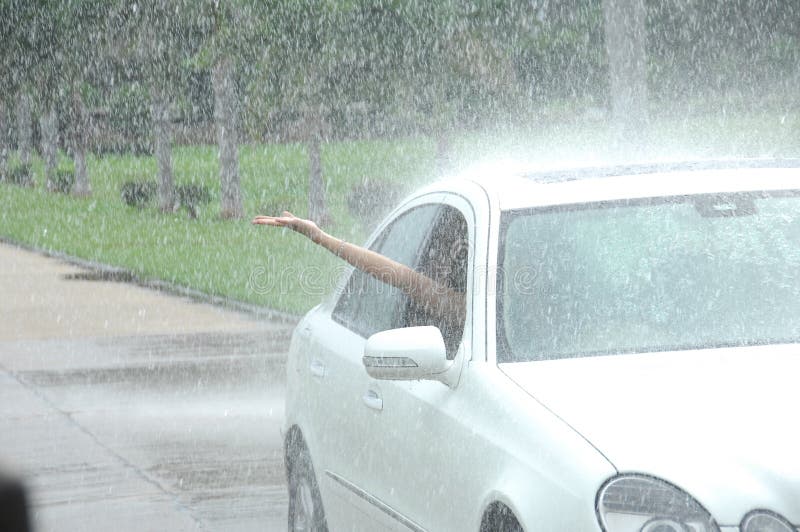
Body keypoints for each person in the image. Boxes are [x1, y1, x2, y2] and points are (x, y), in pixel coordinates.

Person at [252, 211, 466, 352]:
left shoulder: (462, 309)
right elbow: (400, 275)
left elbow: (403, 277)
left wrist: (320, 237)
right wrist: (319, 237)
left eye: (452, 258)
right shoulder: (460, 307)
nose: (442, 266)